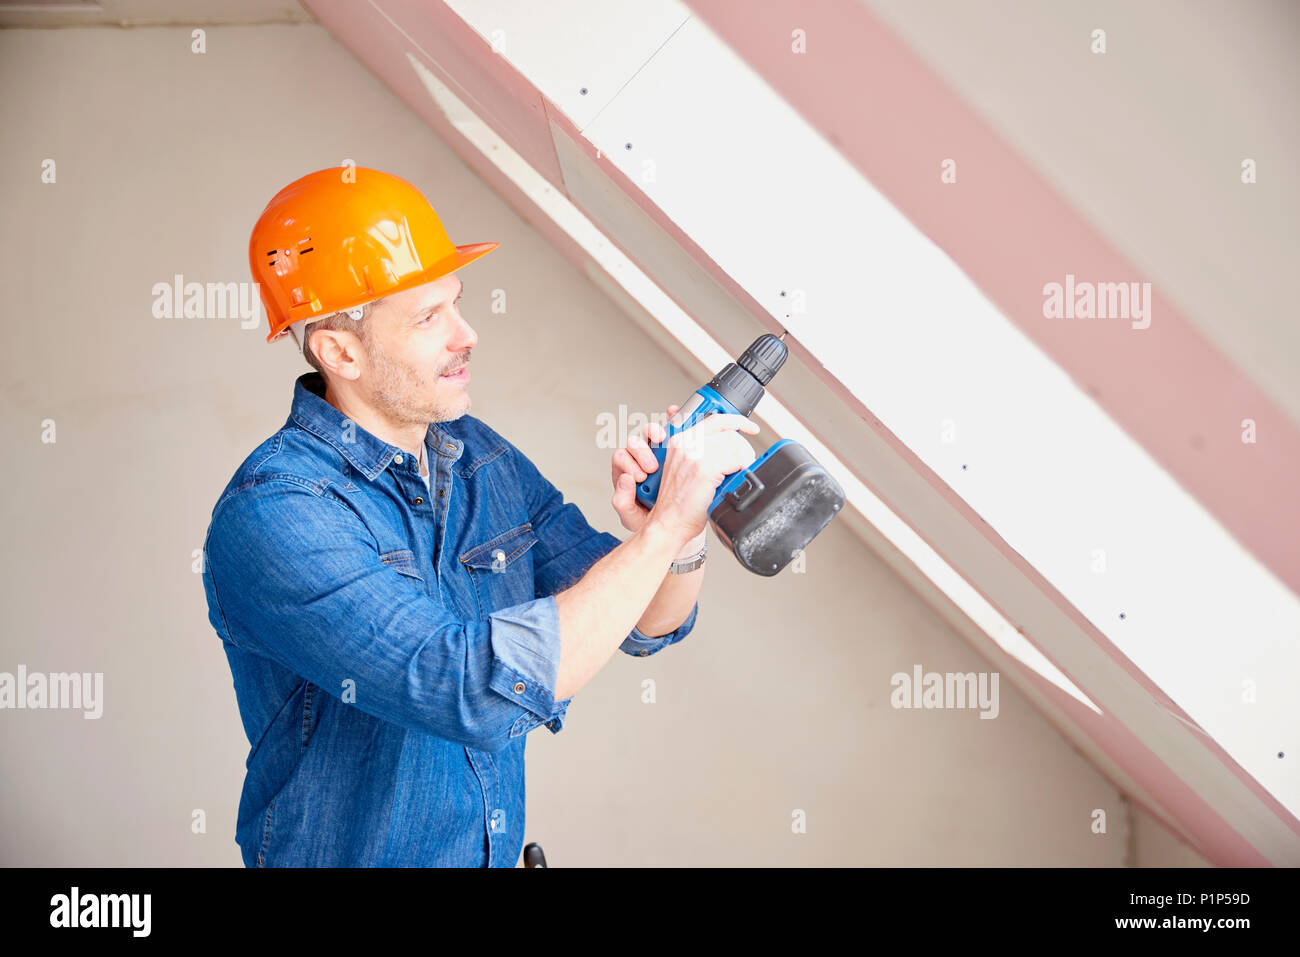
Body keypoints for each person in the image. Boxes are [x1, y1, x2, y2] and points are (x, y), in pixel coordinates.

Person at [201, 167, 759, 866]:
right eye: (428, 317)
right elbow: (466, 689)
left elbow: (650, 622)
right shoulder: (277, 514)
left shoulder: (480, 460)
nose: (467, 335)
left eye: (455, 303)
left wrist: (670, 529)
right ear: (340, 351)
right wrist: (666, 528)